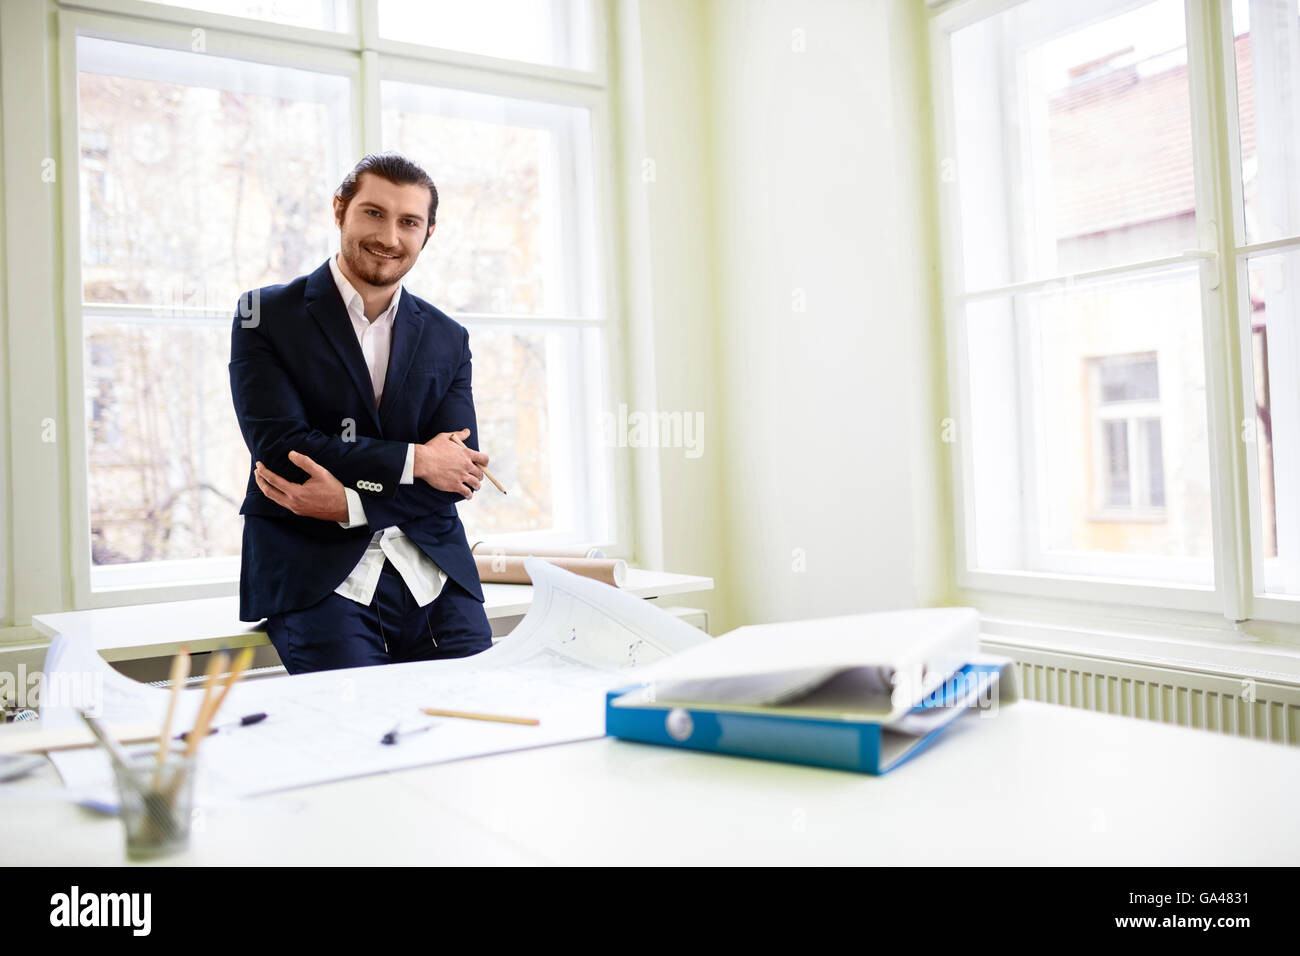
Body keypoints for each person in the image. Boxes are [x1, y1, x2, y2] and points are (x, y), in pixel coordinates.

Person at [228, 152, 493, 674]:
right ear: (340, 210)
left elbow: (457, 473)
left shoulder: (447, 337)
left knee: (475, 736)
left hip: (433, 569)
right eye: (373, 213)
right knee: (356, 735)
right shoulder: (264, 316)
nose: (389, 236)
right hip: (313, 570)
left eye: (408, 222)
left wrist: (351, 505)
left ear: (428, 233)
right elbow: (283, 449)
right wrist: (416, 460)